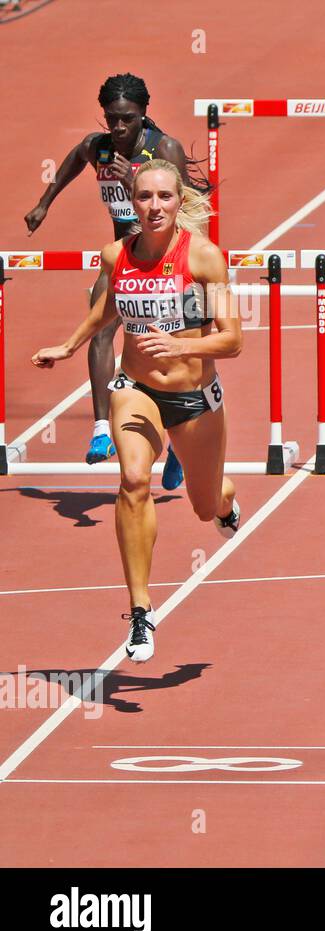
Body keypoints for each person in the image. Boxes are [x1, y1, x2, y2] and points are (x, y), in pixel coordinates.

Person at [32, 159, 241, 664]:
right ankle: (141, 611)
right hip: (136, 388)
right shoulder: (115, 255)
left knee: (203, 503)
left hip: (194, 399)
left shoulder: (205, 259)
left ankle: (223, 502)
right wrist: (68, 345)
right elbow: (105, 310)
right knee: (132, 479)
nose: (154, 207)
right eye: (144, 197)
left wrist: (182, 348)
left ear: (178, 202)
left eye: (164, 198)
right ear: (131, 200)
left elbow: (232, 339)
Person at [25, 73, 204, 487]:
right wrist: (43, 203)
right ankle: (101, 430)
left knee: (174, 350)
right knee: (101, 329)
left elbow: (190, 207)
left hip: (172, 261)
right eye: (112, 119)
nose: (119, 128)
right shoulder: (99, 146)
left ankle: (179, 443)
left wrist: (134, 182)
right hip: (125, 257)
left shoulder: (163, 148)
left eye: (127, 119)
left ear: (143, 113)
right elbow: (74, 158)